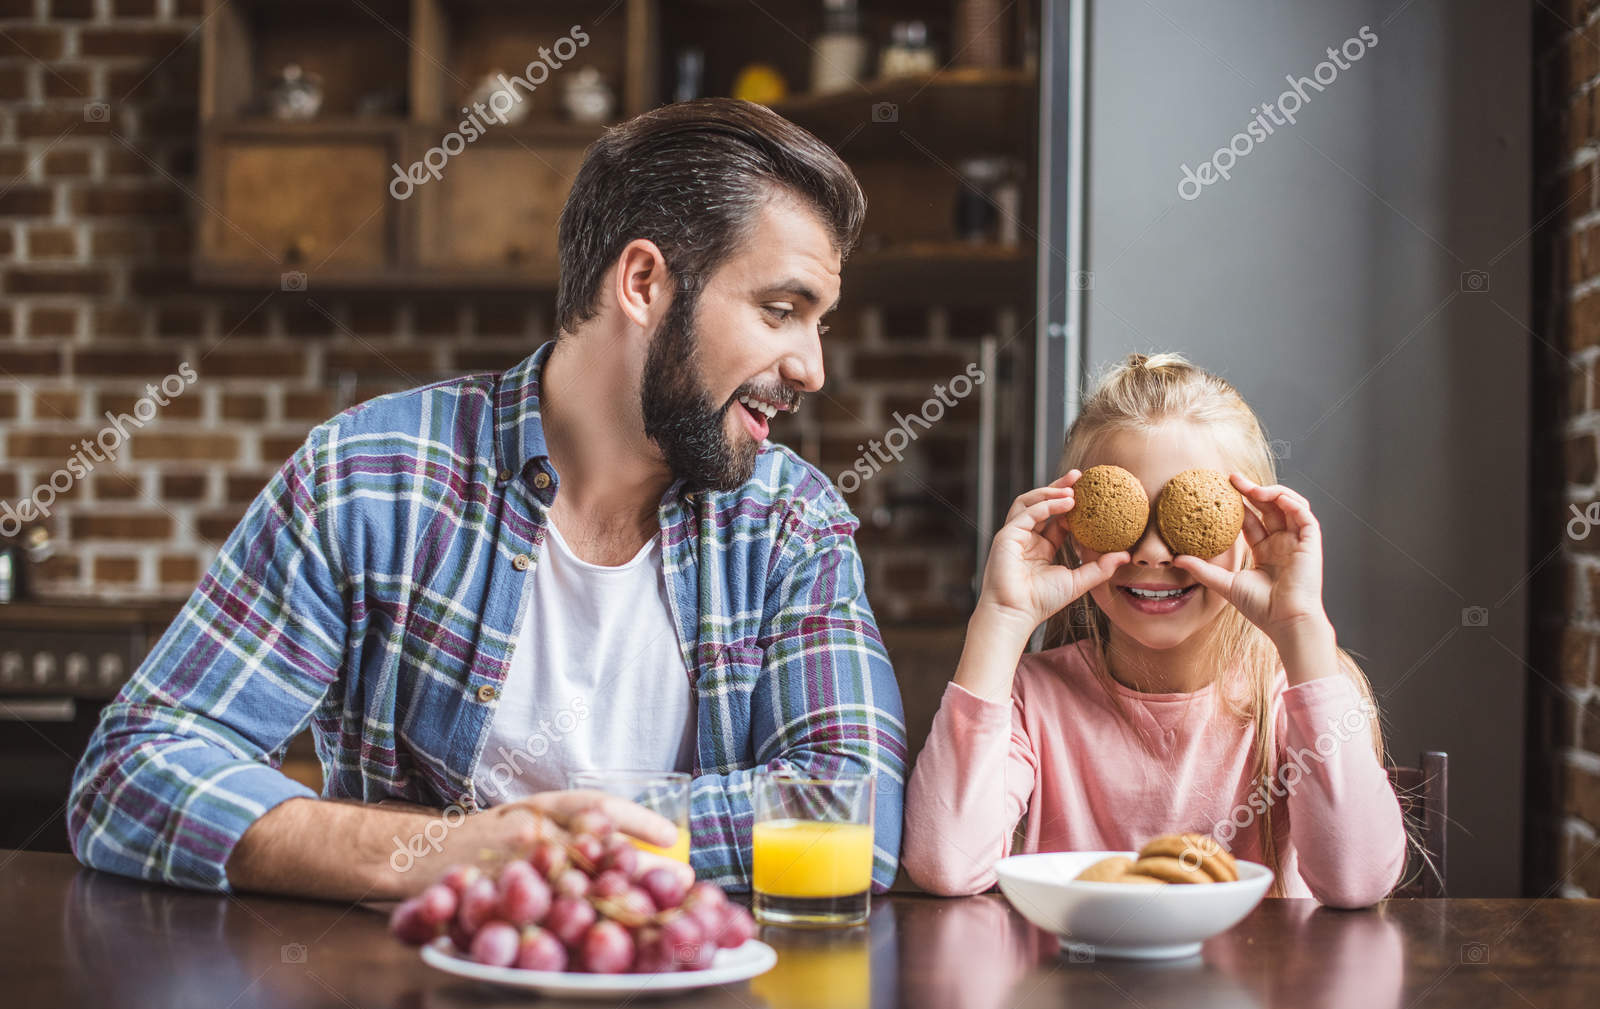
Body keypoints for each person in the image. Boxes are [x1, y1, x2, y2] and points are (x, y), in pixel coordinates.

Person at [69, 99, 906, 901]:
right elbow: (133, 770)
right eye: (780, 310)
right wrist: (424, 855)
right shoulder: (372, 476)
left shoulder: (789, 521)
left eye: (817, 323)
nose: (811, 369)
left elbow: (856, 814)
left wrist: (550, 840)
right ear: (644, 283)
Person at [902, 352, 1406, 907]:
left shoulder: (1298, 694)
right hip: (1068, 990)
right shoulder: (1027, 698)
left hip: (1263, 990)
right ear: (1073, 531)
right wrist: (999, 619)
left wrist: (1302, 628)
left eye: (1182, 518)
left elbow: (1357, 883)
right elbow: (944, 864)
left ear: (1253, 529)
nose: (1150, 552)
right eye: (1128, 517)